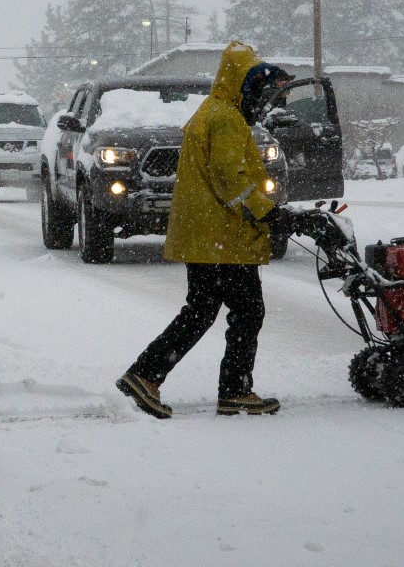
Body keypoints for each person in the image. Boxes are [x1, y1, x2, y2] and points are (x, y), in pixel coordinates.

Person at [117, 42, 291, 418]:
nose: (260, 99)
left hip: (208, 235)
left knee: (201, 310)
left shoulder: (210, 111)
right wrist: (266, 212)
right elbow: (232, 178)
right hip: (222, 237)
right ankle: (232, 391)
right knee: (247, 311)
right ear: (240, 85)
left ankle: (145, 375)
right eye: (256, 90)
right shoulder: (226, 118)